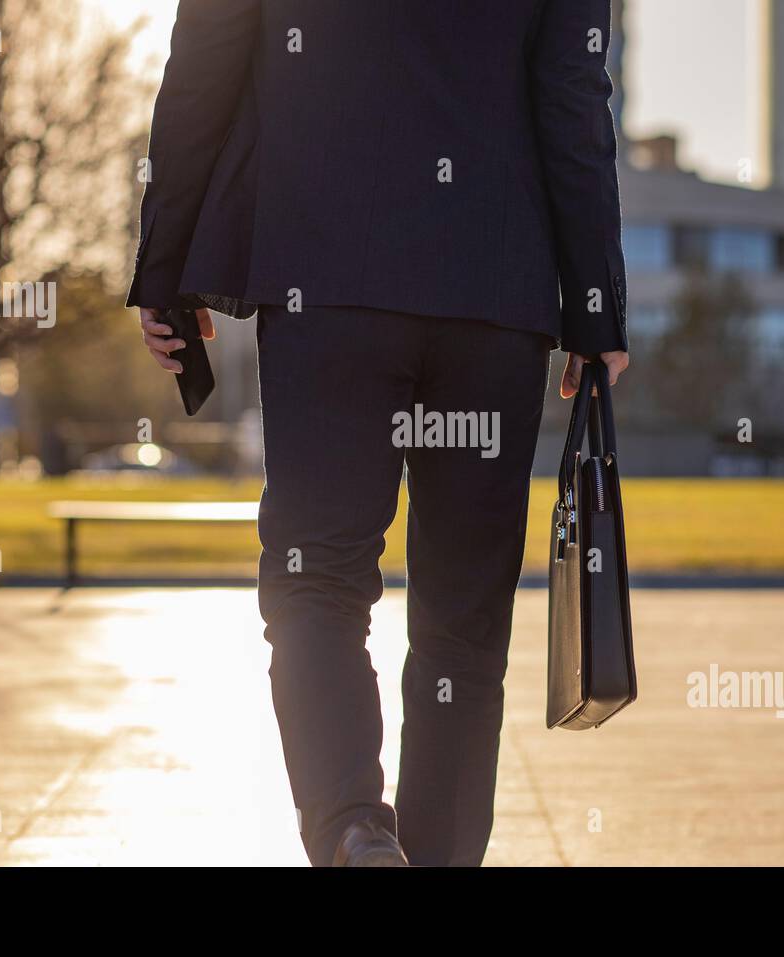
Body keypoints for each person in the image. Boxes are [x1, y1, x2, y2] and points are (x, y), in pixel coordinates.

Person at [129, 0, 630, 866]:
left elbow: (203, 58)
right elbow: (574, 98)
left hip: (326, 281)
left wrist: (166, 267)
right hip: (491, 297)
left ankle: (354, 829)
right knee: (463, 626)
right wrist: (595, 306)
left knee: (316, 580)